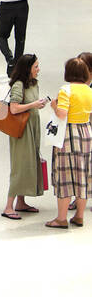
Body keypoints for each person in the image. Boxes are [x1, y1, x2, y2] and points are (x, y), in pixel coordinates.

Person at [0, 53, 48, 220]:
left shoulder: (34, 84)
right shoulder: (19, 85)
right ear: (27, 69)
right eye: (35, 67)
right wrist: (34, 104)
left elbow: (30, 105)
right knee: (20, 165)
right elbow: (13, 109)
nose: (38, 69)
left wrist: (38, 105)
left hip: (32, 128)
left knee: (29, 162)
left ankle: (21, 201)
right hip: (21, 131)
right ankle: (8, 206)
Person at [46, 57, 92, 228]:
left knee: (65, 176)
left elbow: (62, 114)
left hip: (68, 135)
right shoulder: (89, 90)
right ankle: (79, 216)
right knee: (83, 175)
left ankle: (61, 218)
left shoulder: (66, 90)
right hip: (86, 133)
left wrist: (54, 106)